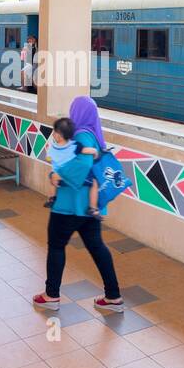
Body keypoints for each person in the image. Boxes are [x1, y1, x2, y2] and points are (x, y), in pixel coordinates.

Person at [32, 96, 122, 314]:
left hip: (69, 205)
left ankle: (51, 295)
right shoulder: (94, 135)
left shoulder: (80, 135)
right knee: (97, 248)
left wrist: (57, 178)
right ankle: (113, 296)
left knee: (56, 245)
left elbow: (81, 166)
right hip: (89, 208)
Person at [43, 117, 99, 215]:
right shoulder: (74, 145)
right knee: (94, 183)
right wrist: (95, 152)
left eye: (54, 131)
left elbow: (48, 159)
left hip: (58, 177)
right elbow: (86, 151)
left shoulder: (52, 147)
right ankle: (93, 207)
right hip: (70, 175)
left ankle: (52, 198)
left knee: (52, 180)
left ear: (58, 135)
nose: (53, 133)